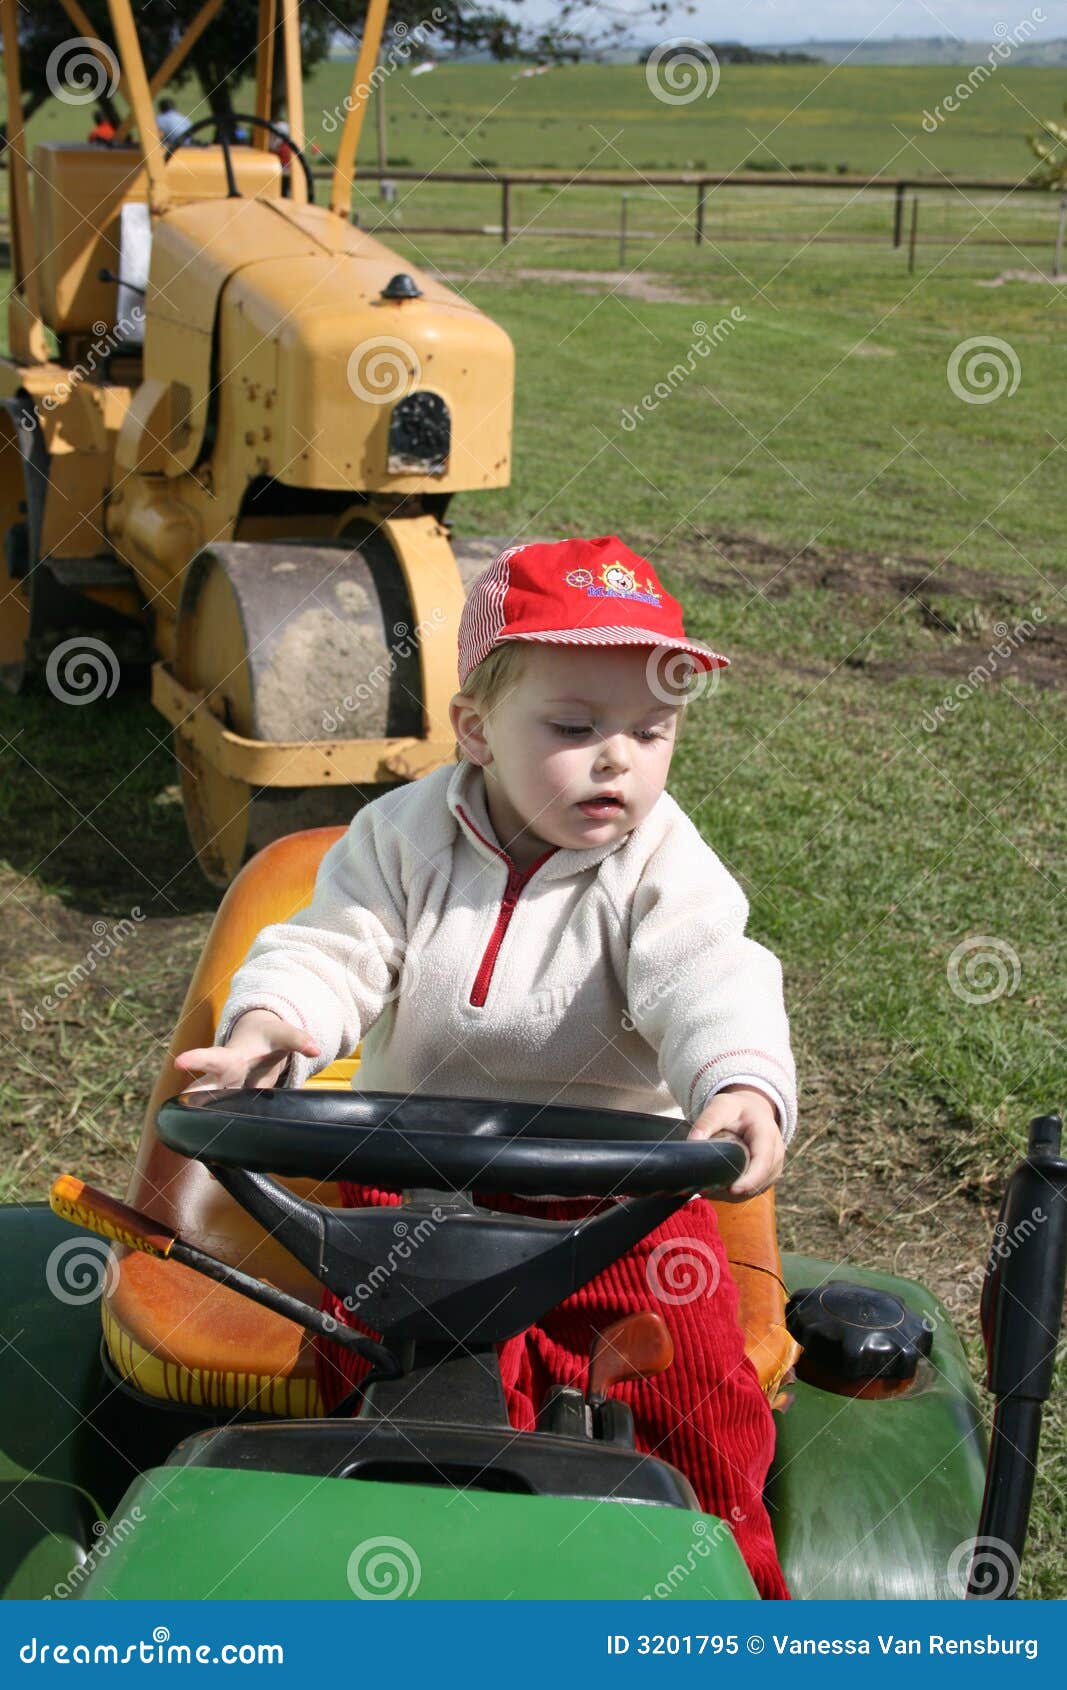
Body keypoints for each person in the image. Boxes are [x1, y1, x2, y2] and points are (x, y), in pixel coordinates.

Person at [175, 535, 798, 1600]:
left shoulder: (659, 863)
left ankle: (723, 1595)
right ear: (474, 729)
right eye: (573, 727)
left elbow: (710, 977)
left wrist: (735, 1080)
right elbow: (334, 946)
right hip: (411, 1184)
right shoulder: (401, 835)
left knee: (699, 1395)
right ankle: (415, 1583)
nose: (618, 761)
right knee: (399, 1396)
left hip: (614, 1196)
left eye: (652, 732)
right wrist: (276, 1027)